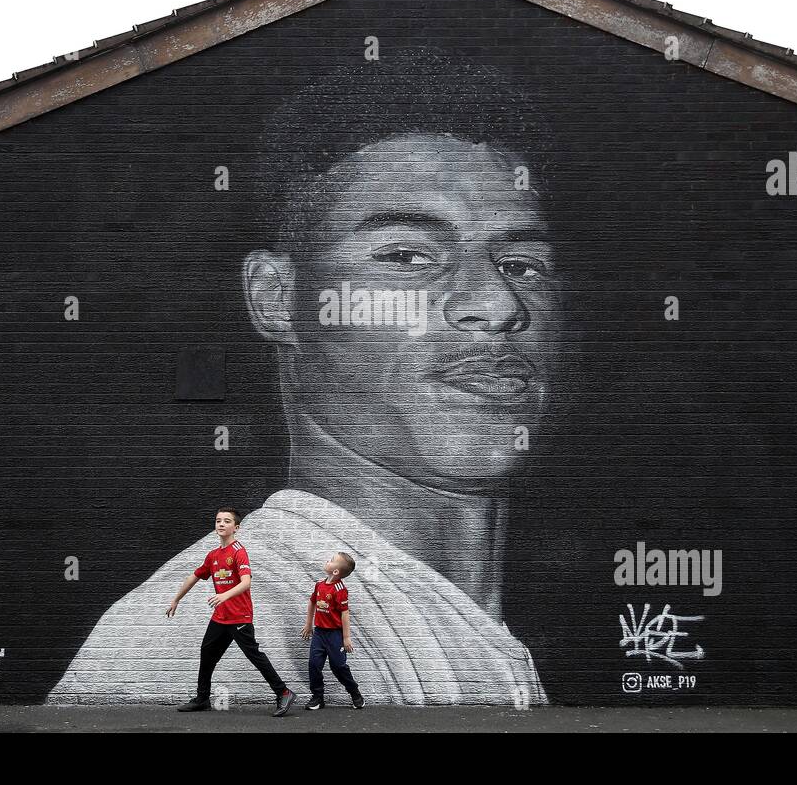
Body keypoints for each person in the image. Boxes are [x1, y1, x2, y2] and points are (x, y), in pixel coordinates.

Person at [49, 49, 562, 706]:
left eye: (521, 263)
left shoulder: (480, 632)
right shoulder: (201, 640)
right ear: (277, 298)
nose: (496, 305)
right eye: (406, 256)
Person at [166, 507, 297, 716]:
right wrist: (176, 599)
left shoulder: (238, 551)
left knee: (254, 655)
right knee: (207, 654)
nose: (221, 524)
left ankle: (283, 692)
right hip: (220, 617)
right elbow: (194, 576)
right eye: (218, 520)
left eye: (227, 521)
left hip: (239, 616)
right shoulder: (213, 555)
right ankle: (202, 698)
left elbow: (246, 582)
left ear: (236, 527)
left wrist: (224, 596)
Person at [302, 551, 363, 710]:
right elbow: (312, 603)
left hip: (335, 634)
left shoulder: (340, 589)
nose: (327, 561)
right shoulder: (319, 585)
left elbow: (345, 613)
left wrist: (346, 637)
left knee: (338, 666)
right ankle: (317, 697)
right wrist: (309, 624)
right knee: (314, 664)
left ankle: (354, 693)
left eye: (331, 560)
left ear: (336, 571)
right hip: (320, 633)